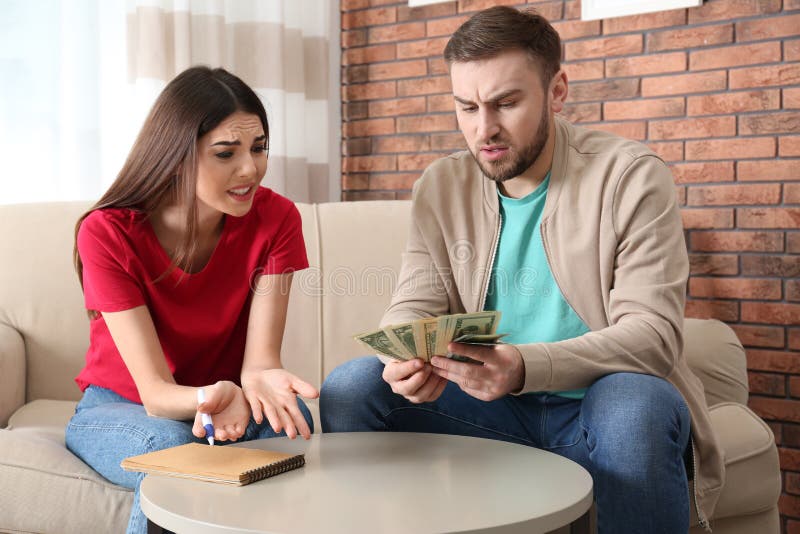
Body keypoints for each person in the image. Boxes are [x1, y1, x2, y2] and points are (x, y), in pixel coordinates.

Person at [320, 6, 723, 533]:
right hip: (486, 411)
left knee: (632, 404)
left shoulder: (631, 177)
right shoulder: (441, 187)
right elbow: (414, 302)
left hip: (593, 411)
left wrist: (525, 366)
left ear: (557, 91)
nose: (483, 129)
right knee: (353, 385)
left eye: (506, 103)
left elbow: (654, 337)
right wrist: (404, 357)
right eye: (466, 107)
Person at [65, 66, 318, 534]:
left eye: (259, 148)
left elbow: (260, 365)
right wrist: (212, 397)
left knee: (290, 422)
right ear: (176, 155)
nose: (251, 169)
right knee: (172, 447)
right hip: (123, 407)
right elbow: (157, 396)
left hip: (226, 400)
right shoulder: (106, 233)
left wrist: (257, 388)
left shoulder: (277, 218)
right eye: (226, 153)